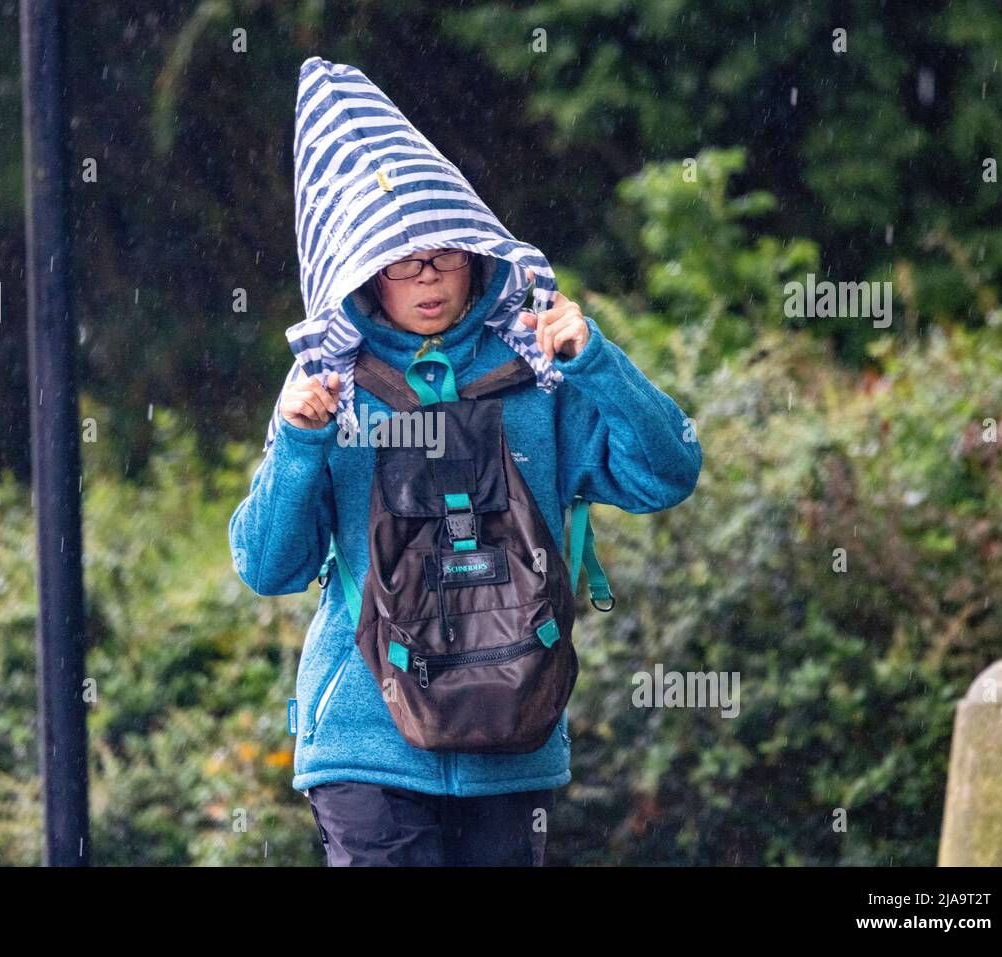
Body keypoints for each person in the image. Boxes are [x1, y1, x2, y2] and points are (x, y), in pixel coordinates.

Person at [228, 57, 702, 866]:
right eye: (400, 261)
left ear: (477, 253)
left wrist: (596, 362)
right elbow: (268, 566)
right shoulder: (325, 383)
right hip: (365, 747)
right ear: (359, 266)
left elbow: (669, 471)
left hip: (514, 734)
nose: (427, 279)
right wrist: (303, 441)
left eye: (443, 255)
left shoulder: (541, 367)